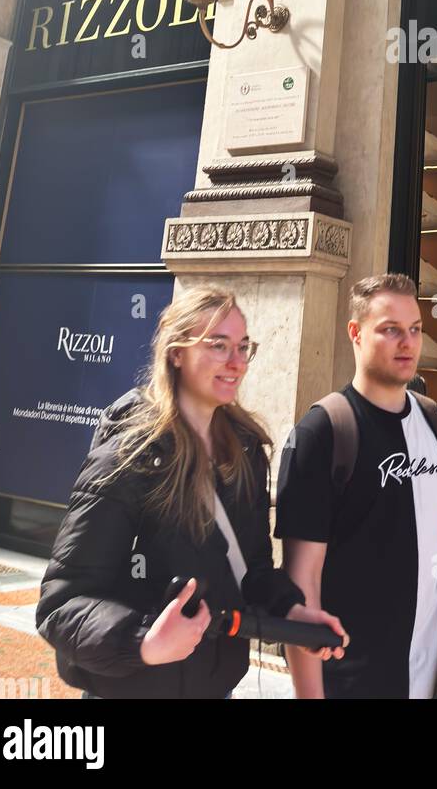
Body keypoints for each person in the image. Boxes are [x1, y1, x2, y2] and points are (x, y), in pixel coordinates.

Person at [37, 286, 345, 698]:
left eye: (243, 346)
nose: (237, 362)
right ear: (176, 352)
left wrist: (292, 612)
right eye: (218, 346)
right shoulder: (129, 458)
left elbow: (250, 571)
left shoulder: (245, 450)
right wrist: (143, 642)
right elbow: (62, 604)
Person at [274, 272, 437, 699]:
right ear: (355, 333)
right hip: (351, 681)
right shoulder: (323, 432)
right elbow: (303, 583)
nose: (408, 343)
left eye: (415, 330)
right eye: (391, 330)